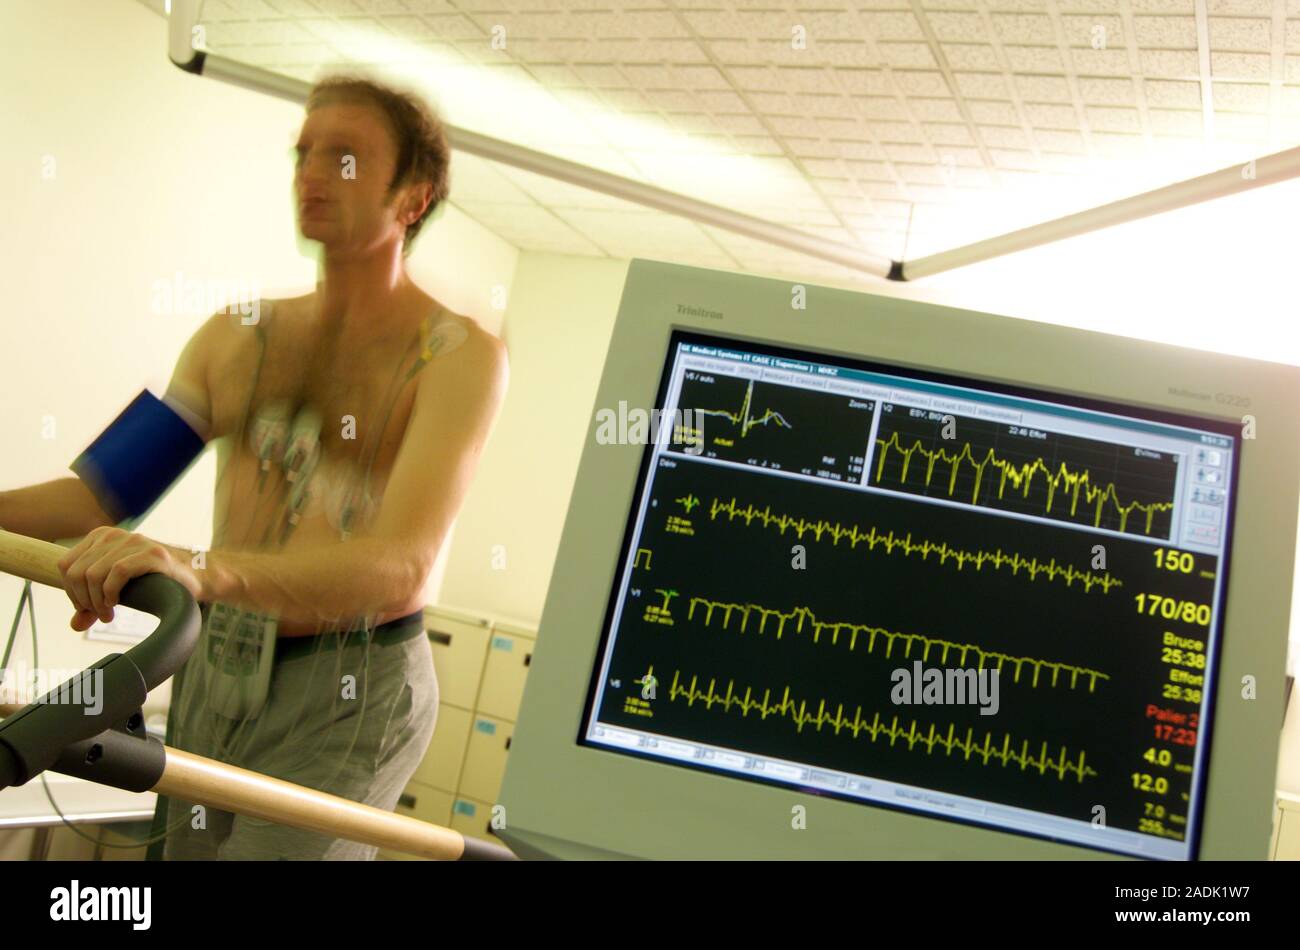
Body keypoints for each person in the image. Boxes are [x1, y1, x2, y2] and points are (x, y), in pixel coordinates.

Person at [0, 74, 509, 859]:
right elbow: (100, 497)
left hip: (350, 685)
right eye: (304, 153)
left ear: (414, 195)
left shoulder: (457, 356)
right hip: (218, 664)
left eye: (343, 157)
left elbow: (399, 565)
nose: (311, 173)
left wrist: (204, 569)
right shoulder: (238, 337)